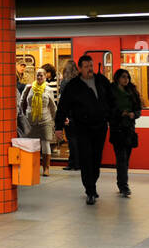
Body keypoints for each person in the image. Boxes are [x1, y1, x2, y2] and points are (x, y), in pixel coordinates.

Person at [54, 54, 113, 205]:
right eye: (86, 67)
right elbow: (62, 107)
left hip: (100, 127)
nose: (90, 69)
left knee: (96, 159)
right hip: (82, 128)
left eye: (91, 66)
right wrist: (59, 127)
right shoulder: (73, 86)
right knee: (86, 158)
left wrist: (111, 117)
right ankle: (90, 190)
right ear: (80, 68)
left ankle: (92, 183)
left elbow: (112, 100)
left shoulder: (101, 81)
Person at [109, 68, 142, 197]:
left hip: (129, 128)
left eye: (127, 77)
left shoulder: (132, 91)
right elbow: (108, 109)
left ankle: (121, 182)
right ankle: (124, 186)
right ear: (117, 78)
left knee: (126, 159)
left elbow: (138, 109)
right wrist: (119, 113)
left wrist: (134, 114)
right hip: (117, 128)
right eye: (123, 77)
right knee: (121, 158)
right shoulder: (111, 91)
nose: (126, 79)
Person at [18, 68, 56, 176]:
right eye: (38, 75)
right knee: (30, 145)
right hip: (30, 121)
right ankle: (31, 167)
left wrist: (56, 120)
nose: (39, 77)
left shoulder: (48, 90)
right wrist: (22, 116)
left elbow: (53, 106)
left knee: (45, 143)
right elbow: (21, 101)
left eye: (41, 75)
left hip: (45, 120)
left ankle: (46, 168)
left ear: (45, 77)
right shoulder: (29, 88)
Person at [56, 59, 80, 169]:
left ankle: (73, 163)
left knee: (71, 139)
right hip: (78, 115)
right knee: (78, 139)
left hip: (69, 114)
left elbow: (64, 101)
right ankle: (78, 163)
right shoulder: (79, 80)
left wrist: (64, 116)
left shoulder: (65, 82)